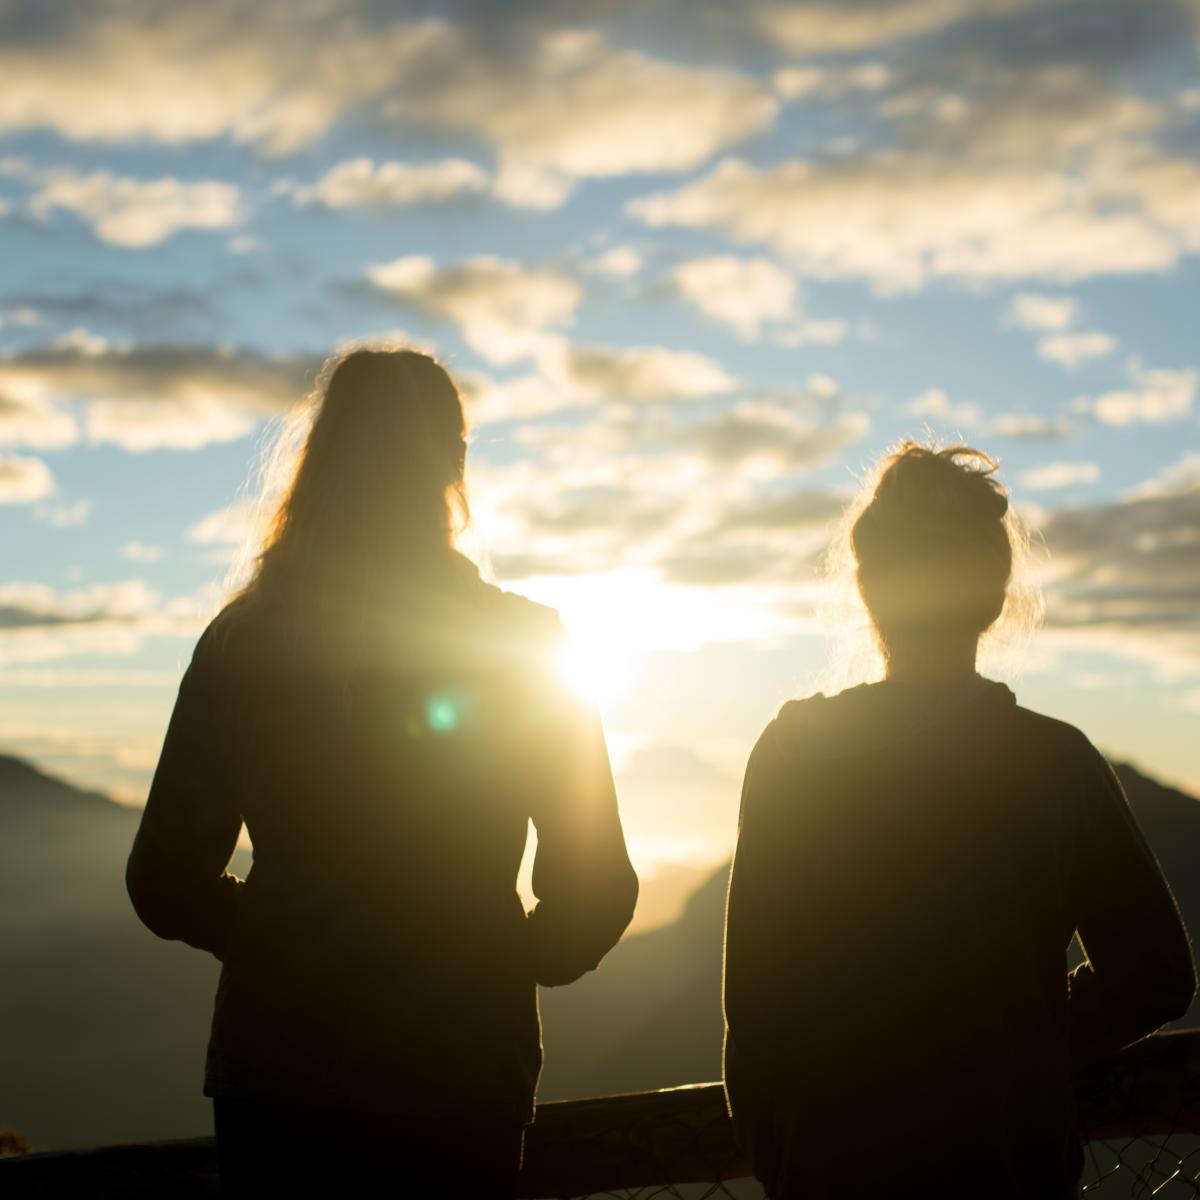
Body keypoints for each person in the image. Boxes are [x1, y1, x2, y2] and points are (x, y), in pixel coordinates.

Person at [126, 347, 638, 1198]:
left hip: (280, 1076)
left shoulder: (245, 643)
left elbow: (162, 878)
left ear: (324, 458)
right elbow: (596, 887)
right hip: (460, 1075)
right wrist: (499, 955)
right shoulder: (523, 645)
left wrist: (276, 936)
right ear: (455, 463)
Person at [722, 442, 1196, 1200]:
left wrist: (788, 1155)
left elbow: (757, 1005)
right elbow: (1158, 975)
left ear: (870, 587)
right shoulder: (1053, 761)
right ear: (993, 595)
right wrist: (1020, 1047)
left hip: (836, 1163)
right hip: (1008, 1165)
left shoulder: (797, 753)